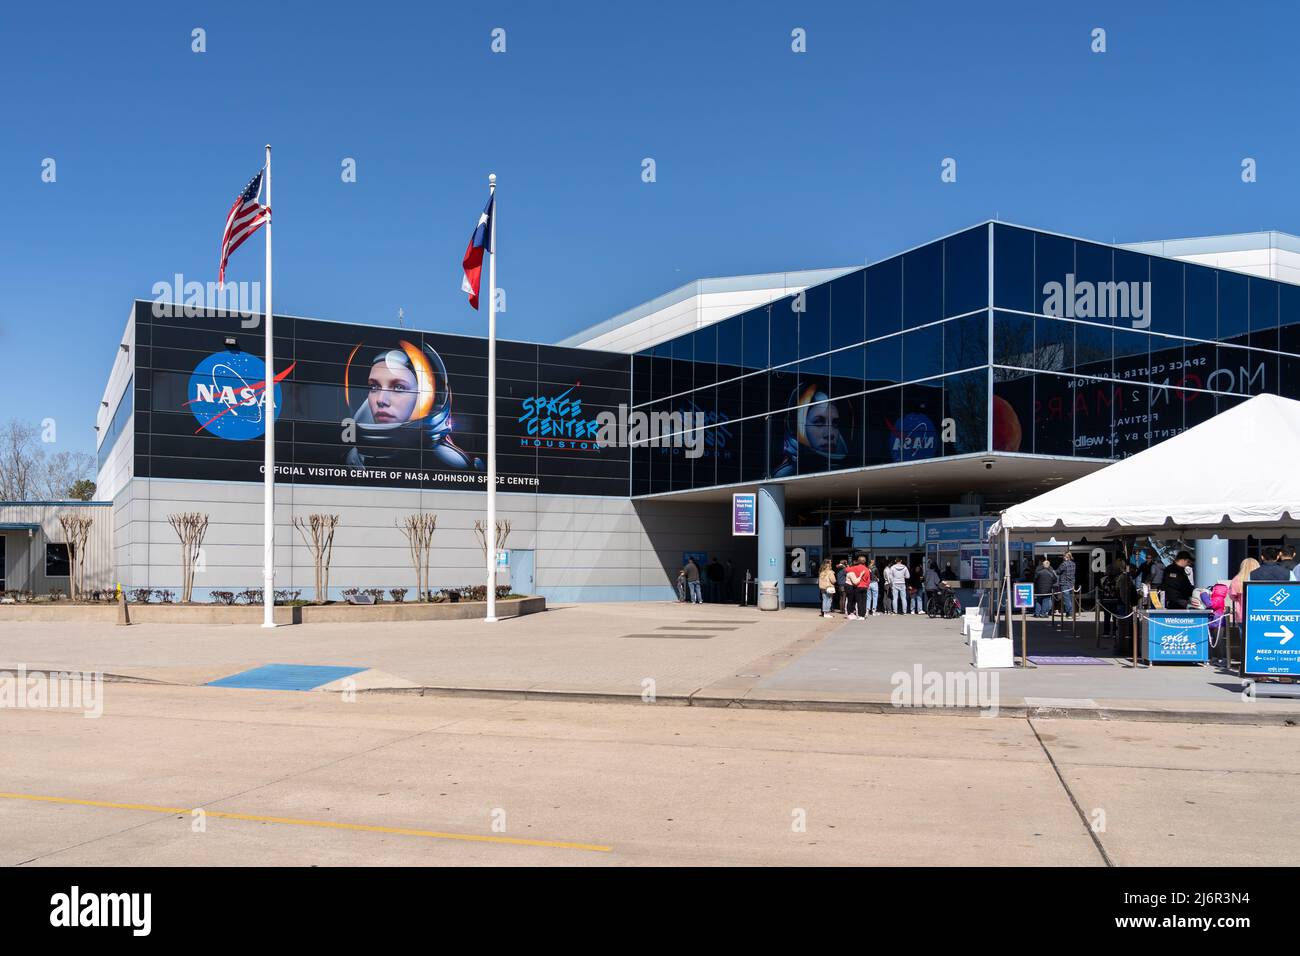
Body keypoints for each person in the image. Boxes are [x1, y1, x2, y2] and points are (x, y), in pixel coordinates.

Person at [1100, 558, 1136, 655]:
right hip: (1118, 601)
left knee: (1110, 617)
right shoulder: (1121, 577)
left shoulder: (1106, 579)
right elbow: (1122, 592)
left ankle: (1110, 633)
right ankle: (1118, 638)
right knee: (1119, 620)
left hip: (1110, 600)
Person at [1228, 557, 1260, 624]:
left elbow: (1232, 596)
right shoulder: (1260, 579)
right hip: (1258, 614)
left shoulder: (1236, 580)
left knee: (1242, 633)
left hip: (1242, 614)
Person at [844, 554, 870, 620]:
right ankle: (863, 615)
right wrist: (866, 585)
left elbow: (846, 570)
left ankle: (859, 615)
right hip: (865, 586)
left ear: (858, 561)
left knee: (859, 601)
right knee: (864, 601)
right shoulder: (867, 569)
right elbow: (868, 580)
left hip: (857, 586)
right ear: (865, 561)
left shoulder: (855, 568)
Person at [1057, 551, 1077, 617]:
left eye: (1063, 556)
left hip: (1064, 583)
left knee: (1066, 599)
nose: (1062, 557)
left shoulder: (1063, 564)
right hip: (1071, 583)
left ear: (1065, 557)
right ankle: (1069, 613)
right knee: (1070, 598)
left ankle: (1070, 613)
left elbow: (1058, 571)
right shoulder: (1074, 564)